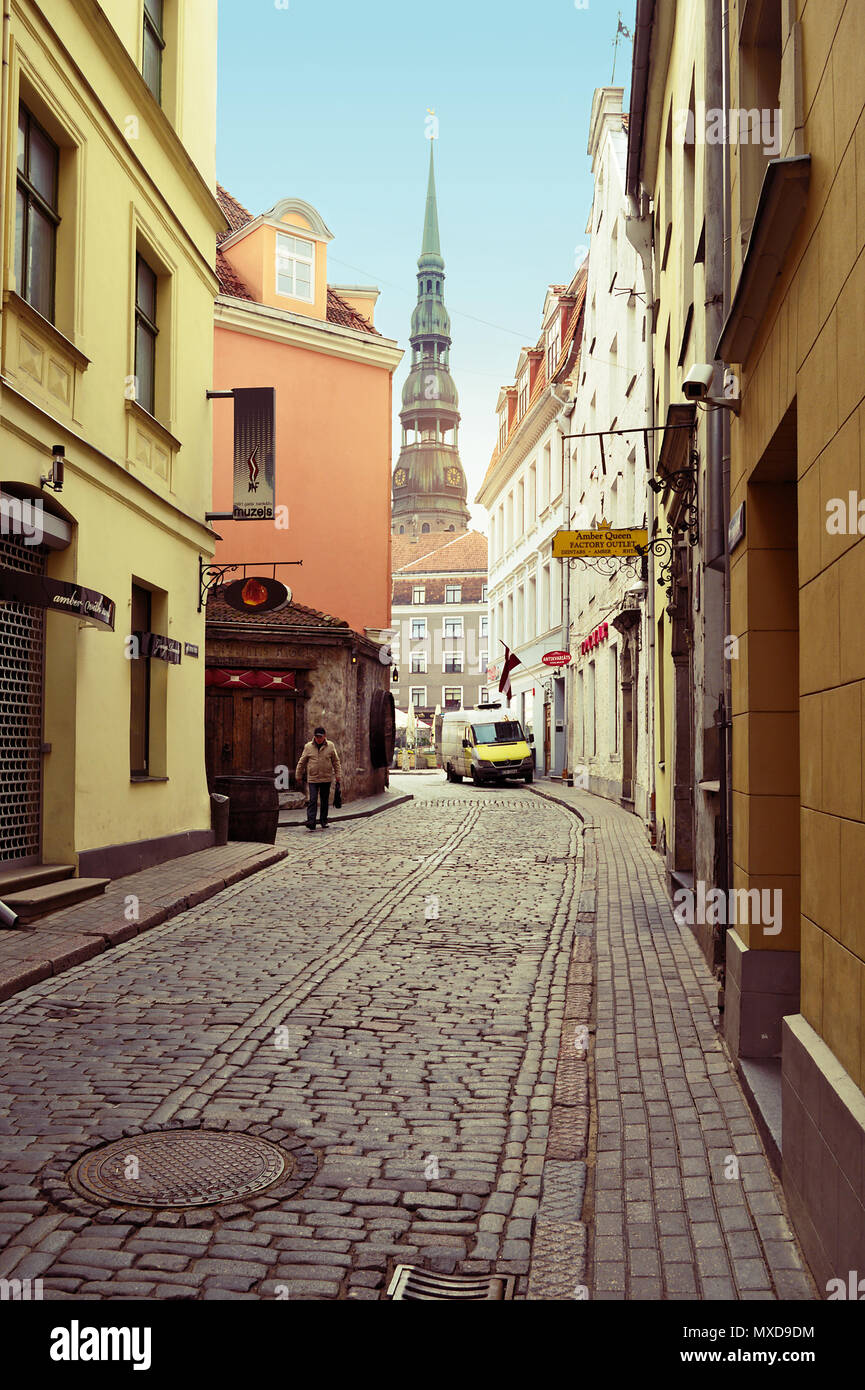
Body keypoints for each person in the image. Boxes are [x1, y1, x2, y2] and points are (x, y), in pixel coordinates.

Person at [296, 726, 342, 831]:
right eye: (316, 737)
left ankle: (323, 820)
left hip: (326, 778)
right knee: (312, 800)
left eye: (320, 737)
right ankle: (311, 821)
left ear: (324, 736)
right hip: (313, 778)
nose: (318, 738)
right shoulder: (308, 747)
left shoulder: (330, 746)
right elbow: (302, 761)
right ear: (314, 737)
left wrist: (338, 775)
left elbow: (336, 761)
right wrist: (298, 775)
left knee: (324, 800)